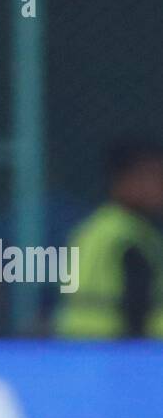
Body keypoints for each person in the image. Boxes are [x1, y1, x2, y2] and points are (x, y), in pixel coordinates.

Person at [53, 139, 163, 338]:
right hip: (117, 344)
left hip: (77, 343)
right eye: (152, 177)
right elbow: (137, 309)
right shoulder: (127, 236)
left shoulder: (96, 226)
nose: (159, 186)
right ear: (123, 181)